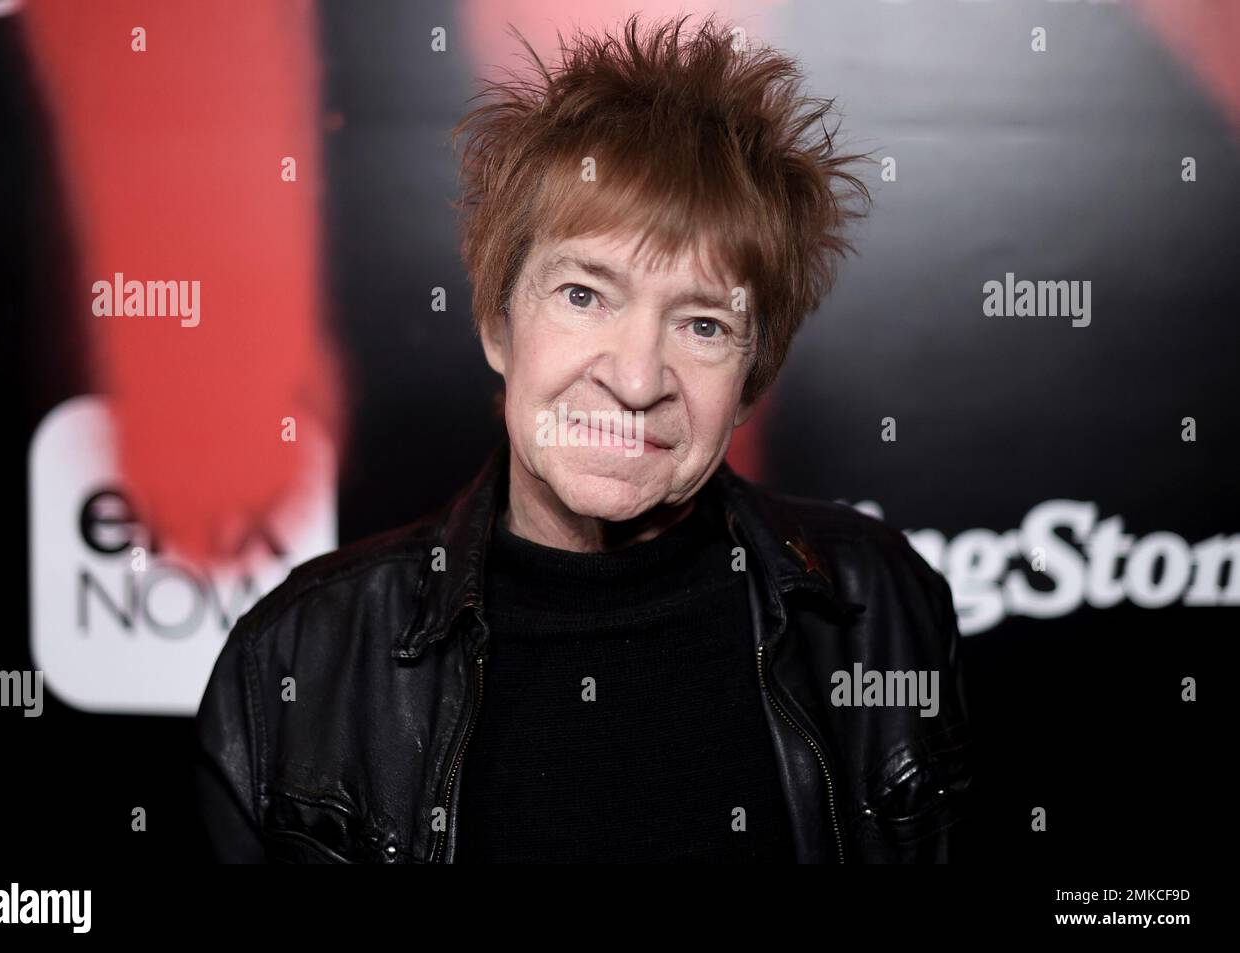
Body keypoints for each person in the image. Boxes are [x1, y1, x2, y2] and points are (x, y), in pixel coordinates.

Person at [193, 12, 971, 863]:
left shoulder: (877, 607)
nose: (636, 380)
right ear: (498, 324)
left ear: (751, 379)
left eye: (704, 324)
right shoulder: (301, 655)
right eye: (583, 295)